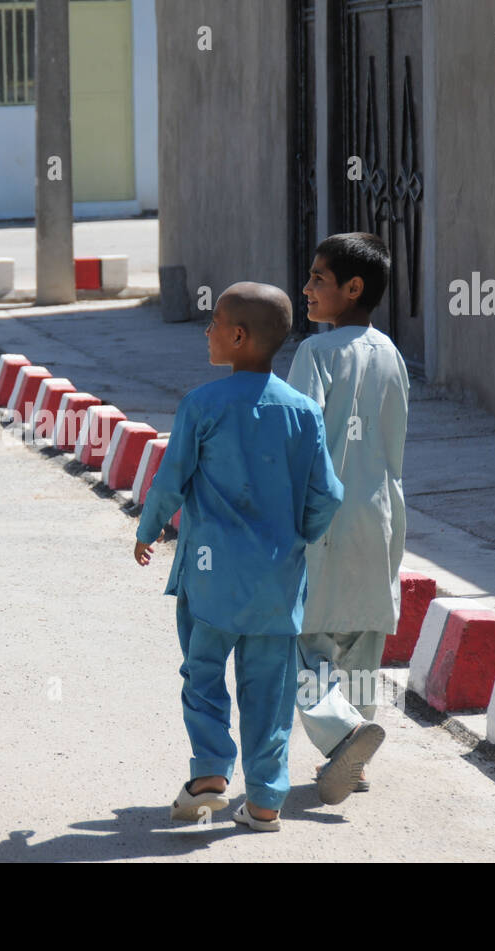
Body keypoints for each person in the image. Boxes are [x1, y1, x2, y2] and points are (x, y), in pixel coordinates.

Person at [134, 282, 344, 831]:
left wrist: (149, 529)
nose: (207, 331)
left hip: (210, 578)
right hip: (277, 582)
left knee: (202, 671)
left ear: (238, 336)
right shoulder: (303, 411)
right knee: (270, 693)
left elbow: (170, 481)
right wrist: (298, 536)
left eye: (214, 323)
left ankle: (208, 772)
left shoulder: (202, 405)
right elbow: (329, 494)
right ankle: (266, 801)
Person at [288, 232, 408, 806]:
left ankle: (343, 738)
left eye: (318, 279)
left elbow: (296, 437)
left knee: (307, 640)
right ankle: (354, 766)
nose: (306, 289)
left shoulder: (315, 353)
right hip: (381, 517)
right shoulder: (391, 353)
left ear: (352, 288)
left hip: (324, 519)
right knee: (362, 642)